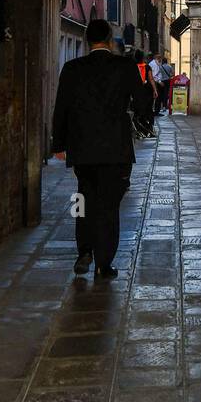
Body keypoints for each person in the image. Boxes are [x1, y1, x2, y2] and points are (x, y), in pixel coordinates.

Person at [52, 18, 151, 279]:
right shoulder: (125, 66)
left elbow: (61, 108)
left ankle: (85, 251)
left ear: (87, 40)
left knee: (84, 198)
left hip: (83, 148)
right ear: (109, 39)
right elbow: (142, 103)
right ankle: (103, 263)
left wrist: (59, 144)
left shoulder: (72, 69)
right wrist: (141, 118)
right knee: (108, 206)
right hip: (115, 148)